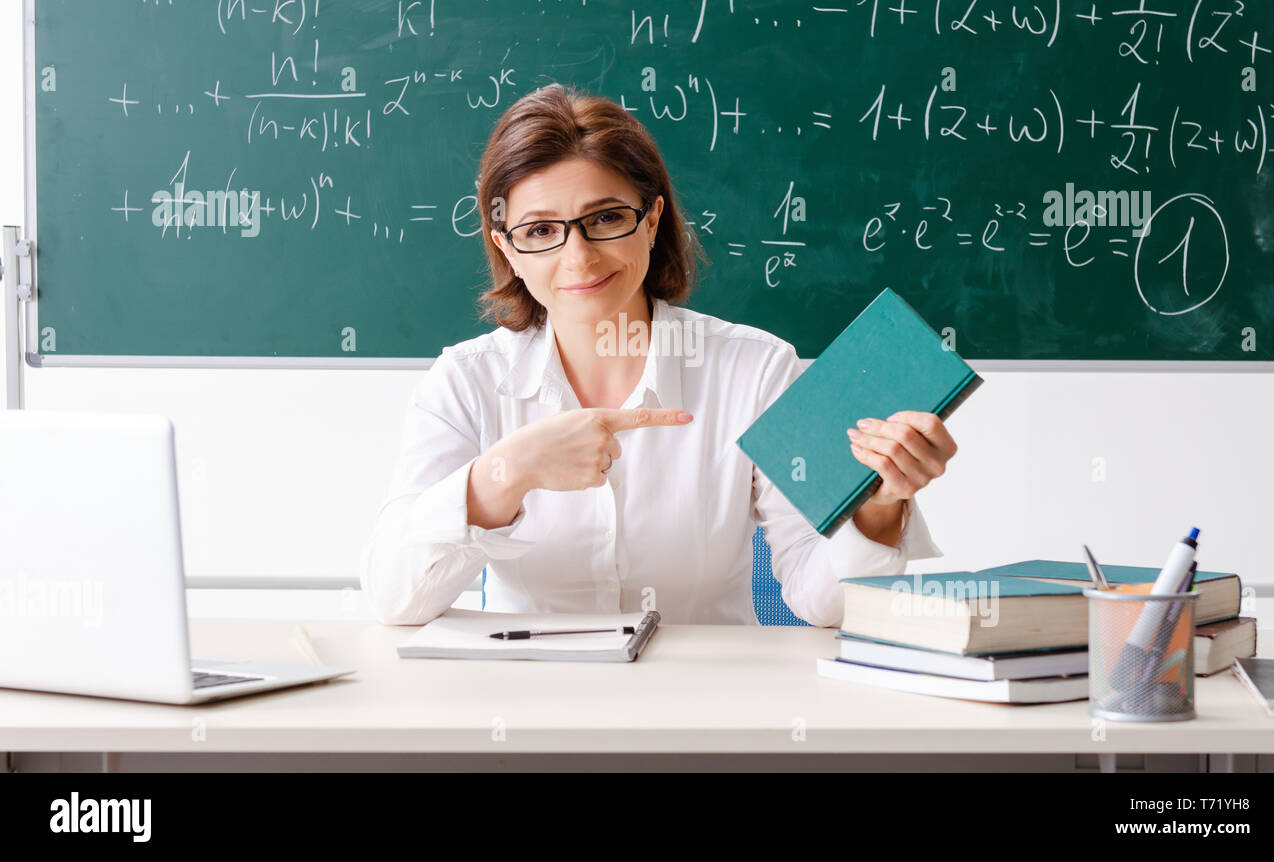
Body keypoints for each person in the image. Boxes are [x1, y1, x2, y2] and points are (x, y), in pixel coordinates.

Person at [361, 83, 957, 627]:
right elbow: (394, 599)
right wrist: (508, 472)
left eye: (605, 218)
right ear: (507, 249)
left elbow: (822, 601)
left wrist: (881, 506)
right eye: (540, 231)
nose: (579, 258)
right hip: (530, 717)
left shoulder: (754, 371)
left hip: (703, 718)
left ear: (651, 221)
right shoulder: (467, 381)